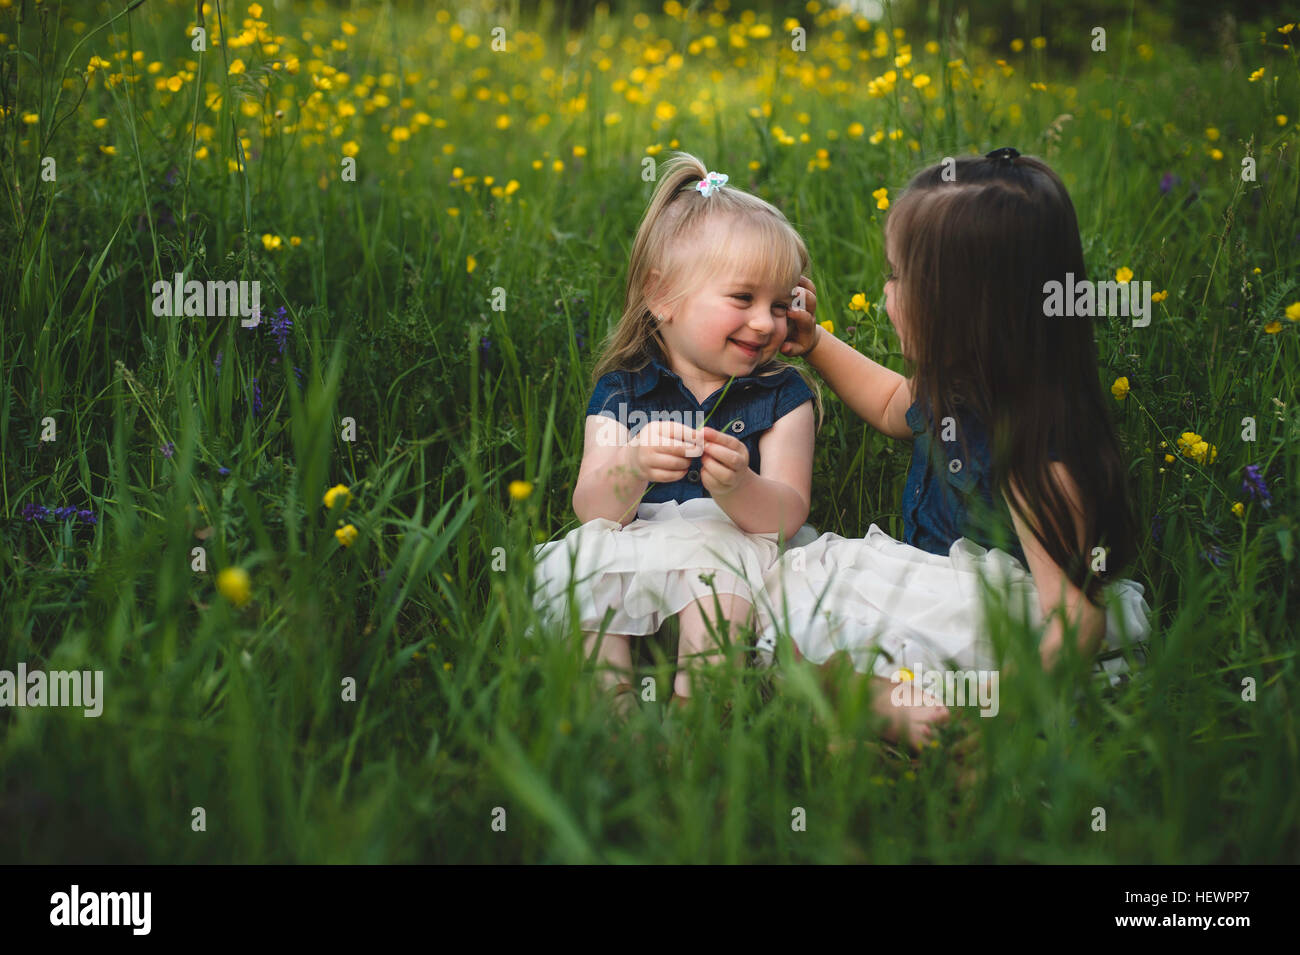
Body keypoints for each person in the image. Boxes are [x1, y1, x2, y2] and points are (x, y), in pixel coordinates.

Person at [758, 148, 1151, 749]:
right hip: (936, 589)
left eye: (896, 277)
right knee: (790, 606)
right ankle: (887, 717)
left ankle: (934, 731)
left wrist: (996, 711)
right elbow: (893, 404)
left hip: (1001, 625)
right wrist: (816, 344)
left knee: (811, 647)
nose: (885, 293)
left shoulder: (1036, 450)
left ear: (963, 310)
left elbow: (1075, 620)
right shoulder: (960, 383)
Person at [533, 152, 821, 715]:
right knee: (583, 569)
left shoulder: (783, 396)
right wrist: (632, 467)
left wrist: (740, 487)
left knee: (722, 585)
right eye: (743, 298)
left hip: (734, 551)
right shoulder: (624, 390)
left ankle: (698, 717)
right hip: (635, 545)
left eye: (780, 305)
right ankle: (613, 715)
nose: (765, 322)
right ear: (662, 296)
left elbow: (788, 514)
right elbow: (594, 509)